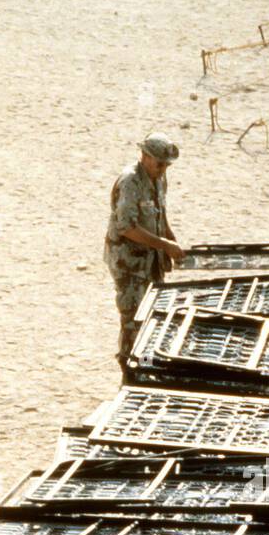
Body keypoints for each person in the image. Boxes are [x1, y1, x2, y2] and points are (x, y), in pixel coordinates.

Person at [104, 133, 186, 365]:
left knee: (152, 312)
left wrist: (169, 236)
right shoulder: (130, 182)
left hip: (151, 257)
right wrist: (165, 245)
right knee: (132, 317)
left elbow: (160, 212)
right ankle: (128, 367)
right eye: (159, 164)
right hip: (128, 260)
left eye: (167, 165)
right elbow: (127, 227)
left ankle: (145, 362)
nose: (163, 170)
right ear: (144, 157)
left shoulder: (159, 179)